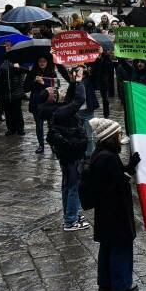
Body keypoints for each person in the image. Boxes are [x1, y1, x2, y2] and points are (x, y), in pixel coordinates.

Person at [88, 118, 140, 291]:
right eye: (118, 134)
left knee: (107, 246)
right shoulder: (108, 158)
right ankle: (121, 285)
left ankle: (105, 282)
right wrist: (128, 172)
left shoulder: (100, 154)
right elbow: (116, 182)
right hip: (116, 212)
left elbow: (112, 176)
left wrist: (128, 168)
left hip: (106, 212)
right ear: (111, 137)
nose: (120, 137)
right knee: (120, 247)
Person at [40, 86, 90, 231]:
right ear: (54, 98)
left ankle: (72, 214)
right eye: (57, 91)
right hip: (71, 155)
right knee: (73, 186)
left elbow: (70, 96)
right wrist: (79, 81)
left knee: (68, 185)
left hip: (66, 154)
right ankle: (70, 220)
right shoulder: (61, 112)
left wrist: (73, 81)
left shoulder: (56, 109)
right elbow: (79, 99)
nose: (62, 91)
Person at [25, 56, 60, 154]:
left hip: (48, 102)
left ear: (47, 62)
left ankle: (53, 145)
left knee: (51, 125)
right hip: (36, 102)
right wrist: (34, 81)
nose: (42, 63)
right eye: (40, 61)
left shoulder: (52, 72)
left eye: (44, 61)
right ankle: (41, 145)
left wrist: (43, 83)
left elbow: (56, 87)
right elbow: (26, 88)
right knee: (39, 125)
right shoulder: (32, 73)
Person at [0, 56, 27, 135]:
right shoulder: (0, 62)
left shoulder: (17, 59)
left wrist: (19, 68)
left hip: (16, 91)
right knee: (8, 111)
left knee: (17, 111)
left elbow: (26, 70)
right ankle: (10, 129)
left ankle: (20, 128)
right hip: (4, 92)